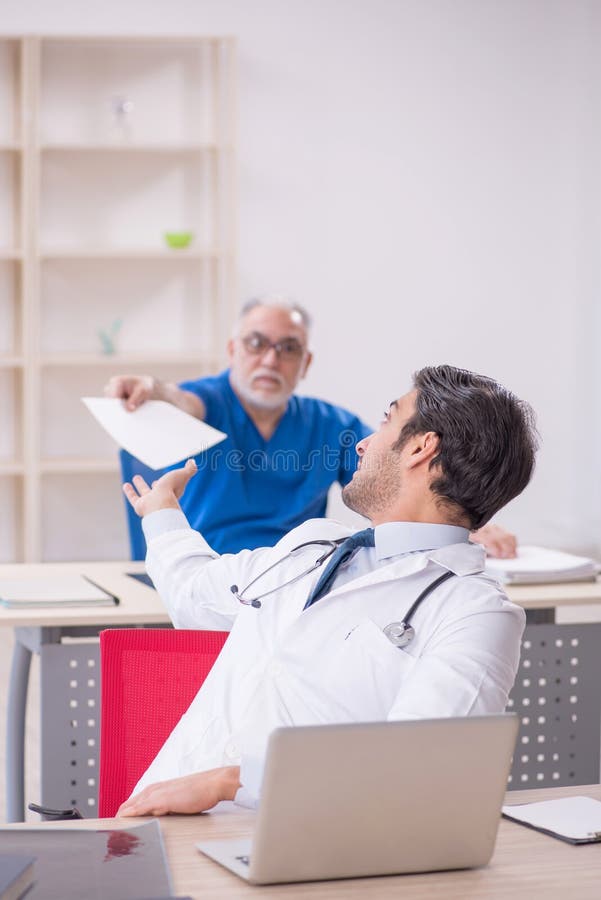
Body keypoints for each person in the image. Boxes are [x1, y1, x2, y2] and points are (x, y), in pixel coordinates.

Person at [116, 364, 538, 818]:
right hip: (155, 819)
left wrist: (231, 782)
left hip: (292, 835)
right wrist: (161, 513)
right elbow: (196, 595)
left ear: (421, 447)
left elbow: (419, 771)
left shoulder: (475, 612)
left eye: (386, 421)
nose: (362, 444)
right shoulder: (311, 544)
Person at [105, 299, 517, 557]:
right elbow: (178, 400)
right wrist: (153, 389)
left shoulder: (330, 426)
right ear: (232, 351)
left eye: (288, 349)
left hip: (292, 582)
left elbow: (404, 470)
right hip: (207, 577)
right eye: (256, 344)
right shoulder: (205, 402)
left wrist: (462, 523)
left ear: (306, 364)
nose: (270, 360)